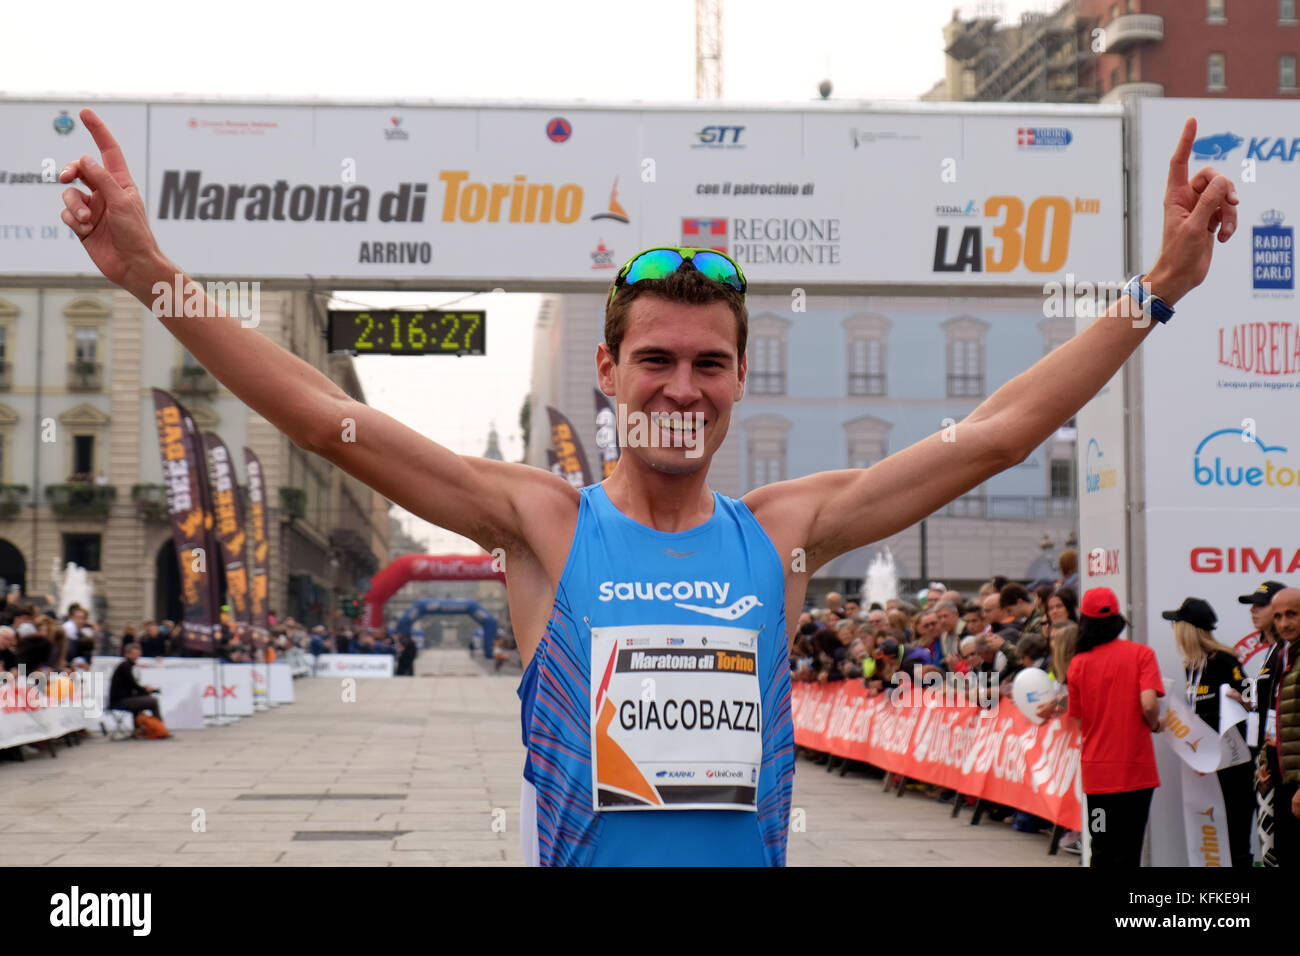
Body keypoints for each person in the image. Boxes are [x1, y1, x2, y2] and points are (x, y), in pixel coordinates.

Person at [57, 110, 1235, 866]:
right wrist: (154, 275)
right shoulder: (537, 520)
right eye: (655, 359)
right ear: (610, 371)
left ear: (737, 378)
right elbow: (327, 415)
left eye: (709, 361)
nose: (683, 385)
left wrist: (1158, 287)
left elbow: (990, 435)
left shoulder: (786, 529)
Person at [1048, 587, 1163, 867]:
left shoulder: (1078, 664)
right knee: (1129, 847)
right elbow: (1149, 703)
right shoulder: (1142, 654)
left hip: (1098, 774)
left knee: (1100, 845)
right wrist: (1155, 724)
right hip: (1136, 771)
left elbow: (1077, 719)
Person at [1161, 597, 1253, 870]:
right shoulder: (1192, 664)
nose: (1173, 630)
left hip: (1233, 763)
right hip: (1206, 766)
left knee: (1237, 837)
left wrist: (1244, 700)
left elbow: (1249, 698)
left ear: (1187, 628)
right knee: (1214, 832)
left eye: (1176, 624)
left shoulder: (1224, 660)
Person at [1257, 587, 1300, 866]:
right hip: (1284, 780)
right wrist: (1265, 758)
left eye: (1292, 614)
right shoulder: (1283, 654)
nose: (1284, 623)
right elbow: (1277, 714)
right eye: (1279, 616)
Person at [108, 642, 162, 733]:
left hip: (124, 698)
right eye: (134, 654)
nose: (136, 656)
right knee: (153, 701)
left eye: (137, 654)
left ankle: (140, 729)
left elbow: (132, 687)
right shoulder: (125, 667)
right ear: (127, 654)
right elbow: (132, 685)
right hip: (120, 700)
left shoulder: (127, 666)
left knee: (143, 700)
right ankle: (159, 729)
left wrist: (145, 690)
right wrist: (146, 690)